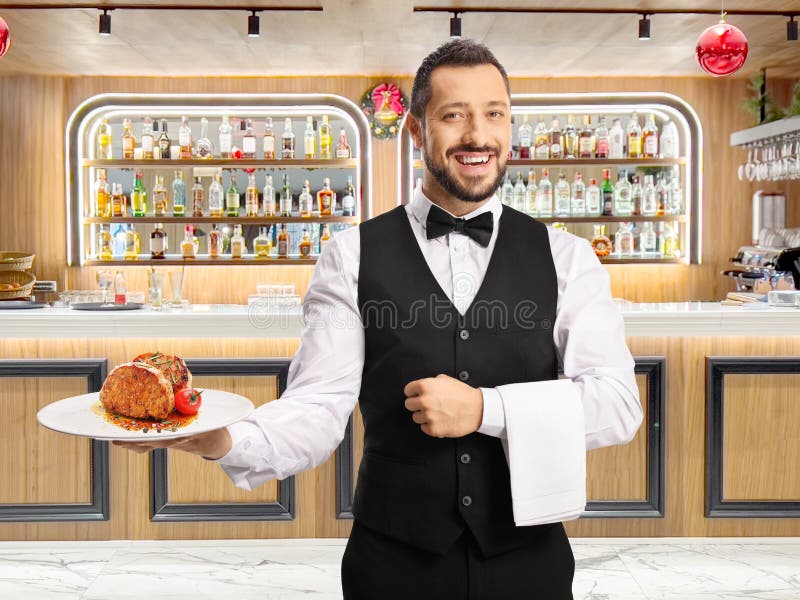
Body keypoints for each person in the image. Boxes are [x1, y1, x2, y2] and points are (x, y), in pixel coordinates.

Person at [116, 39, 642, 600]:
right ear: (416, 131)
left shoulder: (568, 258)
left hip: (528, 558)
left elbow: (617, 403)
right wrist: (219, 440)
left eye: (494, 114)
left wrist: (488, 408)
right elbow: (318, 405)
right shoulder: (350, 255)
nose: (477, 136)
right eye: (453, 115)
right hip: (394, 561)